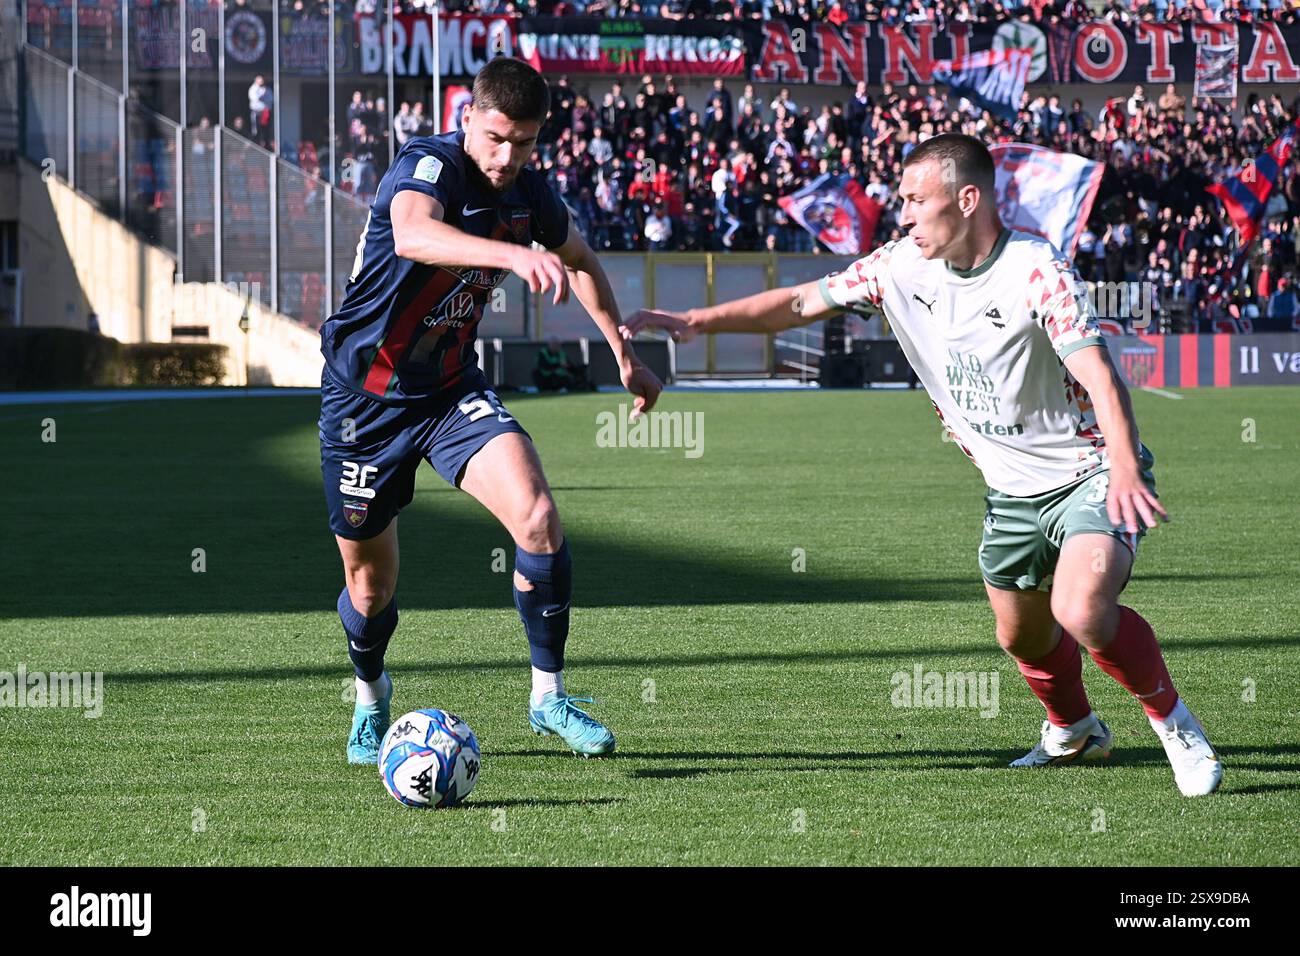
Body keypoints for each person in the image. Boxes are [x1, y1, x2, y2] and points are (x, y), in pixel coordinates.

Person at [623, 133, 1222, 798]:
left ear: (967, 200)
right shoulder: (898, 266)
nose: (901, 214)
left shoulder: (1035, 271)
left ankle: (1175, 725)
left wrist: (1126, 466)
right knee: (1021, 636)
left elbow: (1099, 376)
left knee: (1080, 608)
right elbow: (797, 304)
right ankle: (1074, 730)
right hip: (1010, 490)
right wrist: (696, 320)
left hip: (1090, 470)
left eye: (914, 199)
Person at [319, 57, 662, 764]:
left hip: (448, 393)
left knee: (537, 517)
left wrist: (621, 351)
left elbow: (581, 261)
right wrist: (508, 257)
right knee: (370, 584)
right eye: (498, 137)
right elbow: (414, 234)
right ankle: (370, 696)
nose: (509, 157)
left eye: (527, 142)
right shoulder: (430, 163)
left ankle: (547, 697)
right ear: (468, 118)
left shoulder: (528, 194)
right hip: (363, 404)